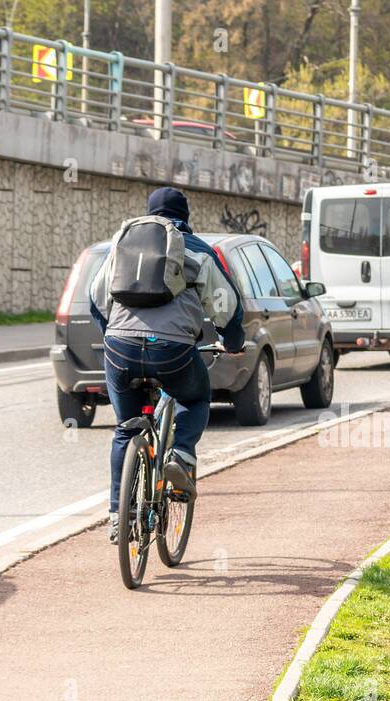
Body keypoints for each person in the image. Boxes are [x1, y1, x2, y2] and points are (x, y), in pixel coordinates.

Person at [89, 187, 245, 543]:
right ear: (185, 218)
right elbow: (226, 304)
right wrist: (232, 341)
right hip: (172, 351)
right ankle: (181, 455)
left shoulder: (121, 244)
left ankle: (118, 516)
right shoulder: (199, 251)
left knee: (125, 430)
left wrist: (113, 333)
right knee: (194, 398)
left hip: (120, 348)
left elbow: (95, 298)